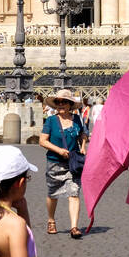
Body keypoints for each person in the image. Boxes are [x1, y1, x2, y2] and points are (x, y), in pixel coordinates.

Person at [40, 90, 86, 239]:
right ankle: (51, 220)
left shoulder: (77, 119)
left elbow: (82, 134)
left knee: (74, 193)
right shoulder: (51, 121)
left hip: (73, 162)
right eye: (58, 102)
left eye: (64, 102)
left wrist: (83, 146)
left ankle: (74, 227)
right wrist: (59, 150)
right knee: (53, 194)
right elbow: (43, 141)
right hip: (55, 162)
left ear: (70, 104)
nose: (61, 104)